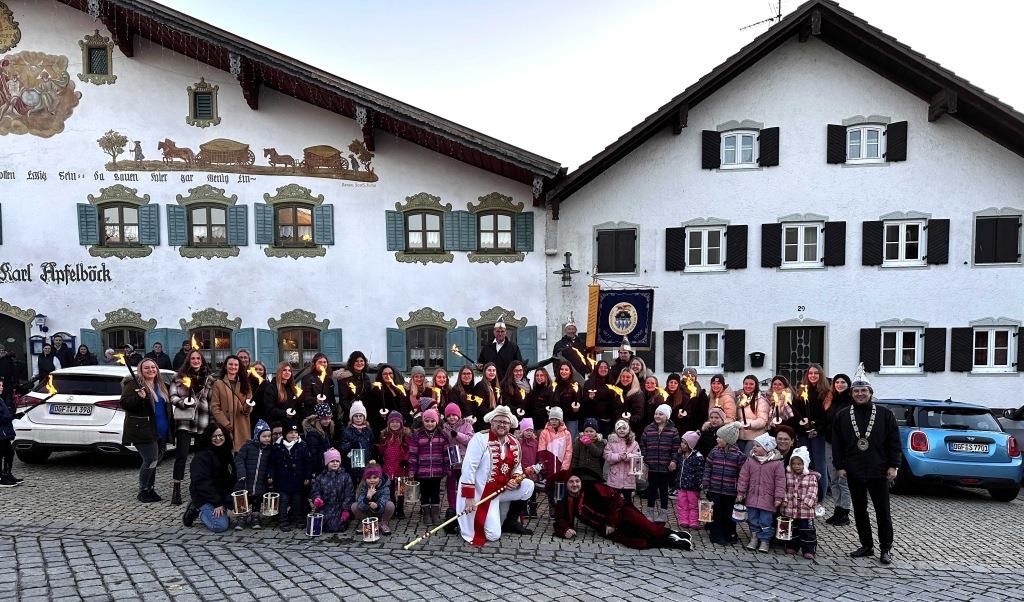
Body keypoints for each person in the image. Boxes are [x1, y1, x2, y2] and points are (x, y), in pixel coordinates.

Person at [831, 365, 901, 565]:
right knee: (860, 510)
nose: (860, 394)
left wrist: (894, 466)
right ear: (852, 393)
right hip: (853, 470)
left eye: (864, 391)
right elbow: (838, 444)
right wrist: (840, 466)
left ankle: (885, 548)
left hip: (879, 469)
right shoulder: (843, 415)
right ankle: (866, 545)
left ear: (871, 392)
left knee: (883, 511)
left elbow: (894, 442)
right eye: (856, 391)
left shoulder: (885, 414)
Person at [457, 405, 537, 546]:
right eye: (498, 421)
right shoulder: (480, 438)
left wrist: (515, 480)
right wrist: (469, 497)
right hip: (480, 494)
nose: (502, 425)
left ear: (510, 424)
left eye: (505, 422)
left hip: (501, 490)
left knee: (528, 486)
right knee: (493, 535)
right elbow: (468, 468)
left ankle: (509, 520)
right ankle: (458, 517)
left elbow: (517, 467)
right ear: (491, 422)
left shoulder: (514, 442)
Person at [552, 471, 691, 550]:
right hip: (606, 529)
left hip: (622, 513)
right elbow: (560, 519)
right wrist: (565, 529)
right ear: (566, 484)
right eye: (571, 482)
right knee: (636, 542)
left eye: (577, 481)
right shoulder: (567, 501)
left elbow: (616, 498)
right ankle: (672, 542)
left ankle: (674, 533)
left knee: (650, 529)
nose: (575, 484)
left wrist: (611, 523)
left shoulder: (592, 487)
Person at [120, 358, 173, 503]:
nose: (150, 370)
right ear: (140, 370)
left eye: (153, 367)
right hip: (143, 429)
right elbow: (124, 404)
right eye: (146, 368)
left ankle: (151, 488)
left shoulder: (161, 385)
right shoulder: (133, 384)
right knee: (150, 459)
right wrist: (139, 397)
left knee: (154, 461)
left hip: (160, 430)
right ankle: (143, 490)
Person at [168, 349, 214, 505]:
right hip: (185, 421)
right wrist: (182, 402)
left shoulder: (209, 379)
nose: (195, 360)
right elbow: (172, 396)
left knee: (200, 458)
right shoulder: (178, 377)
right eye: (193, 358)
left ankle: (198, 488)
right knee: (181, 456)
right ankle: (176, 489)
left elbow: (212, 401)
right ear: (188, 360)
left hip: (202, 421)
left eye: (198, 358)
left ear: (202, 360)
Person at [736, 433, 786, 553]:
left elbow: (780, 481)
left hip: (768, 499)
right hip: (752, 496)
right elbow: (743, 477)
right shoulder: (750, 461)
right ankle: (754, 537)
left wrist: (779, 497)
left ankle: (765, 540)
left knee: (765, 520)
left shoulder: (777, 464)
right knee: (752, 518)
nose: (754, 448)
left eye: (758, 446)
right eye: (754, 445)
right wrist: (741, 492)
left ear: (767, 448)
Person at [182, 424, 236, 533]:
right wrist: (217, 503)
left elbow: (232, 476)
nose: (218, 439)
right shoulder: (201, 457)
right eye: (214, 436)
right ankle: (197, 510)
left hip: (221, 493)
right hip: (205, 496)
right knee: (220, 526)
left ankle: (218, 510)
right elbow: (202, 483)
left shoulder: (226, 453)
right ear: (208, 437)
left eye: (220, 435)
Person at [702, 421, 746, 545]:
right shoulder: (714, 452)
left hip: (730, 490)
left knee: (728, 513)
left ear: (728, 440)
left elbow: (742, 474)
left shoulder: (738, 455)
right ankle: (716, 534)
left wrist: (740, 489)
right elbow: (708, 467)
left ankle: (730, 533)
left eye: (719, 437)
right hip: (715, 488)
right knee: (716, 513)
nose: (717, 439)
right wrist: (706, 482)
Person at [408, 408, 451, 525]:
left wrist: (447, 469)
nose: (430, 424)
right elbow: (413, 454)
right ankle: (426, 514)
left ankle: (435, 514)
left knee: (435, 493)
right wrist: (412, 470)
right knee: (425, 493)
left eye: (432, 421)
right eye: (427, 421)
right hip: (422, 471)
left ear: (437, 422)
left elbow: (446, 454)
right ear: (423, 422)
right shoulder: (417, 436)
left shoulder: (442, 436)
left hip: (437, 471)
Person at [268, 423, 312, 531]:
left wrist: (308, 476)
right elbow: (272, 463)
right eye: (291, 433)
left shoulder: (302, 445)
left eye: (295, 432)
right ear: (285, 434)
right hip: (282, 480)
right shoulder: (277, 447)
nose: (294, 435)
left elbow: (308, 463)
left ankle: (298, 519)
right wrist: (271, 475)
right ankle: (283, 520)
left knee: (297, 501)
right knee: (283, 500)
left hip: (297, 479)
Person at [640, 404, 679, 523]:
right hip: (651, 465)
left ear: (667, 416)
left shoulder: (673, 431)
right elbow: (643, 444)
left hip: (665, 466)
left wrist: (673, 461)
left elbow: (675, 448)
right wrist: (645, 457)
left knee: (663, 490)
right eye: (656, 413)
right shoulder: (648, 428)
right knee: (651, 489)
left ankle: (663, 513)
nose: (657, 416)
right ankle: (650, 511)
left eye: (660, 414)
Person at [824, 373, 853, 526]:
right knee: (833, 479)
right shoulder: (831, 400)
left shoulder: (851, 401)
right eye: (837, 382)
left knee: (843, 480)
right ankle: (837, 508)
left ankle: (845, 511)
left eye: (843, 382)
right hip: (830, 442)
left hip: (844, 445)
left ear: (848, 384)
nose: (839, 384)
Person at [233, 419, 273, 529]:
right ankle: (242, 517)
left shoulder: (269, 450)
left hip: (260, 480)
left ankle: (255, 516)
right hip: (246, 479)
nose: (267, 439)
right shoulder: (248, 447)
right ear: (257, 436)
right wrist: (241, 473)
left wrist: (270, 474)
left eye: (269, 436)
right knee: (244, 497)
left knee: (257, 498)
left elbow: (271, 464)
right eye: (264, 436)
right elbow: (239, 459)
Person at [210, 354, 253, 453]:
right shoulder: (218, 384)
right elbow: (215, 407)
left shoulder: (245, 384)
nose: (233, 367)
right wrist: (225, 423)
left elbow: (249, 406)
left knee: (241, 455)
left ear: (239, 367)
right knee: (225, 454)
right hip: (225, 426)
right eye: (230, 364)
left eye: (236, 365)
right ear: (225, 366)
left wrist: (248, 407)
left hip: (241, 425)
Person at [782, 446, 820, 560]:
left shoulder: (811, 477)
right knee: (792, 530)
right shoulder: (788, 475)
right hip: (790, 509)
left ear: (805, 464)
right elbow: (783, 488)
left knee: (807, 531)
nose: (796, 466)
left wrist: (808, 503)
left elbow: (813, 491)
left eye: (799, 464)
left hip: (805, 511)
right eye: (794, 464)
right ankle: (792, 546)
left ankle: (808, 549)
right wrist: (783, 500)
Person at [442, 402, 474, 532]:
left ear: (458, 415)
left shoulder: (466, 425)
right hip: (451, 461)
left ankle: (464, 507)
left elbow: (471, 440)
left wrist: (457, 435)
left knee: (463, 484)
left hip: (463, 461)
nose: (451, 417)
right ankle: (452, 507)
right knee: (450, 486)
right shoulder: (443, 427)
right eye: (449, 415)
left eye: (454, 415)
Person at [311, 448, 355, 533]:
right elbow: (315, 490)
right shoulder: (321, 477)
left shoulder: (345, 477)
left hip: (340, 508)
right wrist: (317, 499)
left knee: (336, 526)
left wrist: (346, 510)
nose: (335, 463)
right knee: (320, 526)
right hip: (325, 507)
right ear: (327, 463)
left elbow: (349, 494)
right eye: (332, 461)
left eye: (337, 461)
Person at [379, 410, 411, 519]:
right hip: (388, 466)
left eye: (397, 422)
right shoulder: (384, 435)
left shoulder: (405, 434)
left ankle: (400, 509)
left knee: (400, 490)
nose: (395, 424)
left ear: (401, 423)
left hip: (401, 467)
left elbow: (409, 449)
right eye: (392, 422)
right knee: (390, 490)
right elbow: (382, 448)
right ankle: (392, 509)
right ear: (389, 423)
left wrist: (406, 460)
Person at [351, 462, 396, 535]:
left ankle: (383, 523)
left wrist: (377, 506)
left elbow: (384, 501)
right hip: (367, 512)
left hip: (380, 512)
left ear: (379, 477)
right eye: (369, 478)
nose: (372, 480)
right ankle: (367, 523)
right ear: (365, 479)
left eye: (375, 477)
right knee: (354, 506)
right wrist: (368, 498)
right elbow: (360, 506)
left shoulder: (384, 487)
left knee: (390, 505)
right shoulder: (363, 487)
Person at [603, 419, 640, 504]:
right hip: (614, 477)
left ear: (628, 429)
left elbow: (637, 456)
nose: (622, 430)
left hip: (628, 477)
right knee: (613, 501)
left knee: (628, 502)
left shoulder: (634, 443)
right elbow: (607, 455)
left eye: (624, 428)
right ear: (616, 430)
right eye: (619, 428)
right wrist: (618, 456)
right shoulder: (611, 442)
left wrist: (627, 456)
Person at [673, 431, 704, 528]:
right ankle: (684, 520)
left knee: (693, 504)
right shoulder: (680, 455)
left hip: (693, 486)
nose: (682, 445)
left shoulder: (698, 457)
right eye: (682, 442)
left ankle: (694, 521)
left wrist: (700, 483)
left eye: (685, 443)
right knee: (682, 503)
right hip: (681, 485)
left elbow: (700, 472)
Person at [338, 401, 374, 485]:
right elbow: (341, 448)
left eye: (360, 416)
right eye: (356, 416)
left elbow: (371, 445)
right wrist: (350, 445)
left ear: (364, 417)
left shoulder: (368, 430)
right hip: (352, 465)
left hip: (365, 464)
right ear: (352, 417)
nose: (358, 418)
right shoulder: (347, 431)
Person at [367, 365, 409, 432]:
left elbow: (404, 406)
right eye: (385, 374)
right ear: (381, 376)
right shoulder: (376, 391)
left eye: (390, 373)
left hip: (399, 425)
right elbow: (372, 412)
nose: (388, 375)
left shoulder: (398, 388)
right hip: (384, 427)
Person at [736, 374, 771, 454]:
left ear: (756, 385)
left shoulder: (761, 400)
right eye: (746, 384)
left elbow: (762, 420)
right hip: (741, 436)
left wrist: (749, 424)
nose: (748, 386)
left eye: (751, 384)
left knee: (748, 458)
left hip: (755, 437)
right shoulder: (740, 399)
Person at [303, 402, 338, 478]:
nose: (328, 421)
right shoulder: (312, 433)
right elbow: (313, 454)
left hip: (328, 465)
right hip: (320, 469)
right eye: (325, 419)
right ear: (318, 419)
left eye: (329, 418)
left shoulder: (327, 429)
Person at [584, 360, 618, 436]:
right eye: (601, 367)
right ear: (597, 369)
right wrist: (589, 398)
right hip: (593, 420)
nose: (603, 369)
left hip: (608, 420)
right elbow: (584, 401)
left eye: (605, 367)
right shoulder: (589, 383)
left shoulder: (612, 382)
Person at [538, 406, 572, 480]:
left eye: (556, 419)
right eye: (552, 419)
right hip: (548, 466)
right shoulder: (544, 433)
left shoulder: (567, 434)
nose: (554, 421)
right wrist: (543, 465)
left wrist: (564, 468)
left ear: (560, 420)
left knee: (560, 487)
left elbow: (568, 451)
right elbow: (541, 450)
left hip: (561, 466)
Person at [336, 351, 372, 421]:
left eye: (361, 361)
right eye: (356, 361)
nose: (359, 363)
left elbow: (369, 398)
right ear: (352, 362)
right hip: (350, 415)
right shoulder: (345, 377)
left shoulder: (366, 377)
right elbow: (343, 400)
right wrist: (355, 413)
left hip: (365, 415)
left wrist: (365, 413)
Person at [262, 362, 300, 426]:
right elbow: (269, 408)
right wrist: (285, 413)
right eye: (284, 370)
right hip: (278, 425)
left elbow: (296, 406)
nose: (287, 372)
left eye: (289, 370)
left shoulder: (293, 388)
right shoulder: (272, 388)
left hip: (292, 425)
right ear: (279, 371)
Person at [299, 352, 336, 419]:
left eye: (324, 362)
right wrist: (316, 400)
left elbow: (332, 400)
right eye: (320, 362)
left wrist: (332, 411)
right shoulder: (307, 378)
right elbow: (305, 398)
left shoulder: (329, 380)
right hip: (314, 416)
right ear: (314, 364)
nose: (323, 364)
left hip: (328, 417)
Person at [0, 379, 22, 487]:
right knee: (3, 453)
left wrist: (14, 415)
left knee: (9, 453)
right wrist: (12, 416)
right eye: (0, 386)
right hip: (1, 433)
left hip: (5, 432)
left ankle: (7, 474)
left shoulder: (1, 399)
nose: (1, 387)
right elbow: (2, 417)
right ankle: (1, 478)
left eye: (2, 385)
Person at [570, 418, 606, 484]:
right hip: (582, 473)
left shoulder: (600, 442)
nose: (589, 433)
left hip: (595, 474)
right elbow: (575, 456)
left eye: (591, 431)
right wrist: (574, 471)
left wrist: (588, 443)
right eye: (586, 431)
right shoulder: (578, 441)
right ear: (583, 432)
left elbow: (597, 453)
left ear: (596, 432)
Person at [553, 362, 582, 438]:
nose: (564, 371)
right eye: (562, 369)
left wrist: (576, 408)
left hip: (571, 419)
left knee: (570, 441)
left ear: (570, 372)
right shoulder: (555, 385)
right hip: (557, 419)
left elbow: (579, 401)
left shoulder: (575, 385)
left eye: (566, 370)